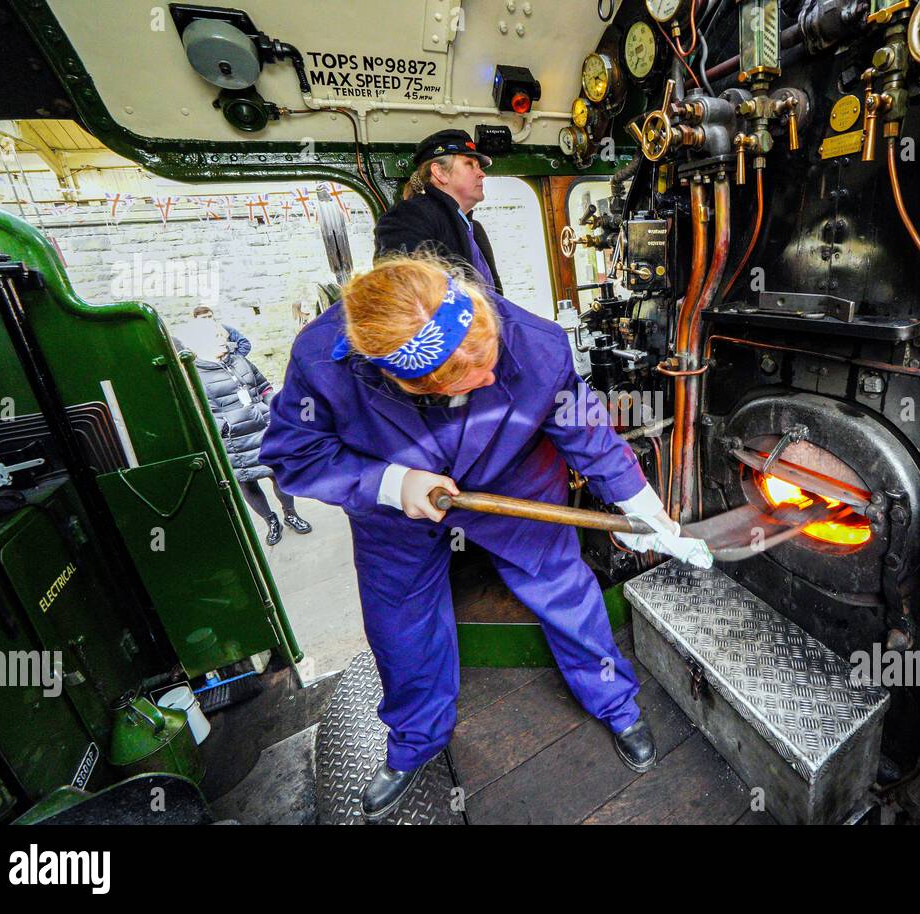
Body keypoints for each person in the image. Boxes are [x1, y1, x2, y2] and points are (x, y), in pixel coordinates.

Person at [259, 254, 709, 820]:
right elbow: (294, 455)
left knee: (563, 589)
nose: (495, 378)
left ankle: (616, 705)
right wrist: (393, 484)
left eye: (492, 359)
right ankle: (414, 743)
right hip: (392, 507)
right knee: (399, 622)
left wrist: (648, 512)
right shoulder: (322, 361)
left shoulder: (534, 343)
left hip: (514, 483)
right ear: (403, 382)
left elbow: (586, 431)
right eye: (473, 379)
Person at [181, 319, 313, 546]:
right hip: (234, 441)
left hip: (263, 429)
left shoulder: (239, 360)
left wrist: (274, 409)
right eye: (217, 337)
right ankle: (271, 521)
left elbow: (263, 387)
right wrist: (227, 425)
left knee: (278, 474)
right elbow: (204, 410)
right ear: (200, 343)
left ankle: (290, 514)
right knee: (248, 483)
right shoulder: (195, 374)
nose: (224, 340)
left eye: (222, 336)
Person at [373, 129, 503, 294]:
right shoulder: (411, 216)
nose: (482, 174)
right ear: (440, 173)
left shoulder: (475, 230)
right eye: (469, 165)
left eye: (479, 167)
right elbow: (404, 292)